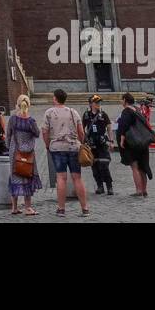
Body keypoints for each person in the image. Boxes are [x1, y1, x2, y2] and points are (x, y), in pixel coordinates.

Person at [41, 88, 88, 216]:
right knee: (77, 178)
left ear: (55, 98)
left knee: (61, 178)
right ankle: (85, 208)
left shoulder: (49, 112)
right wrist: (80, 143)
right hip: (73, 147)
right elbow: (81, 132)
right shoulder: (73, 112)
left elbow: (44, 132)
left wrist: (47, 145)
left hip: (57, 147)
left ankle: (61, 209)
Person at [6, 94, 42, 215]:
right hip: (28, 154)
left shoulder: (12, 119)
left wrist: (9, 148)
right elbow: (37, 134)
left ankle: (14, 207)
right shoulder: (31, 121)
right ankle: (28, 208)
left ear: (17, 104)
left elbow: (8, 135)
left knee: (14, 177)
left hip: (15, 152)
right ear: (29, 104)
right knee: (27, 177)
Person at [115, 91, 154, 197]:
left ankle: (138, 190)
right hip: (142, 141)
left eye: (122, 99)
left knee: (135, 166)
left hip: (132, 143)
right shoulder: (138, 110)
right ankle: (144, 190)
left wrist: (122, 140)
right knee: (143, 167)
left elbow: (124, 125)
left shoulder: (126, 111)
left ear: (125, 100)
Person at [83, 95, 114, 195]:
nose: (98, 105)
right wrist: (83, 140)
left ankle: (109, 186)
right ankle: (100, 186)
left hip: (102, 143)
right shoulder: (86, 115)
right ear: (91, 104)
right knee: (95, 166)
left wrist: (111, 141)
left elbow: (109, 127)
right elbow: (81, 128)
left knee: (104, 165)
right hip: (91, 144)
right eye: (96, 103)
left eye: (99, 103)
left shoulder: (103, 114)